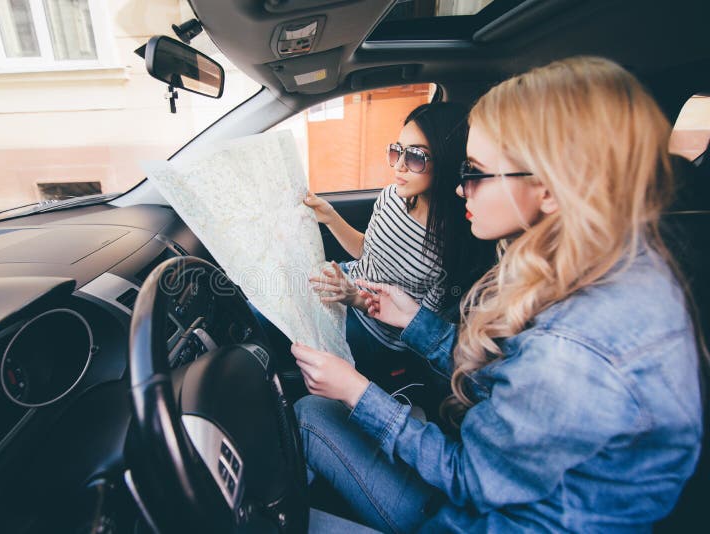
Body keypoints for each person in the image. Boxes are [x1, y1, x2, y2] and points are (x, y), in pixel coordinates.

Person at [292, 56, 704, 532]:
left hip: (469, 518)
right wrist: (416, 321)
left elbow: (466, 477)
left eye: (475, 171)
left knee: (306, 426)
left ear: (549, 188)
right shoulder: (602, 273)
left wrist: (357, 391)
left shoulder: (574, 350)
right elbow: (507, 384)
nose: (460, 188)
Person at [283, 103, 492, 395]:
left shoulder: (454, 245)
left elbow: (417, 331)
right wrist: (330, 216)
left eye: (416, 156)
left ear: (444, 160)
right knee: (276, 301)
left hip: (378, 332)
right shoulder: (393, 196)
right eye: (397, 151)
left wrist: (355, 298)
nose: (399, 165)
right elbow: (365, 251)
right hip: (347, 281)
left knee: (291, 338)